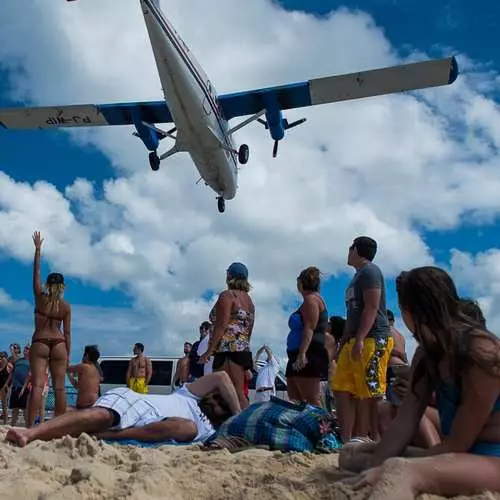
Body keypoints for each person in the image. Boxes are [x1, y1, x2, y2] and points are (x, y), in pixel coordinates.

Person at [339, 266, 500, 499]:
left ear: (410, 311)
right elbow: (406, 418)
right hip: (458, 452)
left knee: (401, 470)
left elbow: (458, 444)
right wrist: (376, 462)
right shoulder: (427, 353)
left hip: (491, 456)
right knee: (352, 456)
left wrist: (389, 465)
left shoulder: (480, 353)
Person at [6, 372, 241, 448]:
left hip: (145, 429)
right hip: (134, 403)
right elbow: (221, 376)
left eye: (222, 406)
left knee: (187, 427)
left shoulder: (212, 429)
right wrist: (239, 414)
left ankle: (106, 435)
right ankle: (30, 433)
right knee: (101, 416)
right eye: (219, 399)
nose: (218, 403)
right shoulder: (189, 395)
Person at [332, 236, 392, 443]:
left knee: (369, 391)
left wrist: (360, 338)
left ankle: (372, 438)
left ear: (356, 250)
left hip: (373, 337)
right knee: (342, 388)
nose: (348, 252)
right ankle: (347, 439)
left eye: (350, 248)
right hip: (354, 339)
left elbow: (372, 307)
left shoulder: (370, 271)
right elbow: (352, 314)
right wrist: (344, 343)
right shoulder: (357, 277)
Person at [200, 262, 255, 410]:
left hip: (227, 349)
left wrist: (209, 351)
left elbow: (221, 325)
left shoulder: (227, 295)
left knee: (227, 392)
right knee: (236, 392)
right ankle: (240, 426)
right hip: (242, 348)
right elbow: (249, 329)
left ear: (230, 275)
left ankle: (243, 428)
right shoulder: (249, 301)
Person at [30, 231, 71, 426]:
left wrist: (38, 250)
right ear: (63, 287)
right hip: (60, 342)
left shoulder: (40, 298)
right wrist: (68, 352)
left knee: (38, 386)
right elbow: (68, 332)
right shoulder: (66, 307)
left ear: (48, 284)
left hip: (41, 341)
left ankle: (30, 427)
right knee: (60, 388)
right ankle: (59, 427)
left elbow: (36, 273)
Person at [286, 266, 329, 407]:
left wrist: (302, 353)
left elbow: (310, 328)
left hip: (309, 352)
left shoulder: (312, 300)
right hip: (296, 352)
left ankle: (323, 427)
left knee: (311, 397)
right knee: (295, 396)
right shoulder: (308, 301)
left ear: (301, 283)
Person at [67, 345, 102, 409]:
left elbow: (67, 369)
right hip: (95, 403)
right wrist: (70, 375)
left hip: (84, 404)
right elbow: (77, 385)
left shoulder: (84, 367)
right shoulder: (96, 371)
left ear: (87, 356)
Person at [385, 309, 408, 406]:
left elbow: (385, 349)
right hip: (403, 367)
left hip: (393, 369)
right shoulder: (400, 335)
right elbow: (403, 352)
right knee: (403, 401)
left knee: (394, 404)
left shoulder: (386, 331)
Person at [9, 345, 31, 427]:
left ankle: (28, 428)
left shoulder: (32, 362)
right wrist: (8, 385)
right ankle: (12, 426)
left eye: (28, 348)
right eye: (25, 348)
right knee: (15, 409)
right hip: (15, 387)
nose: (26, 349)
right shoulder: (18, 360)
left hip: (25, 388)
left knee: (25, 409)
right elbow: (12, 373)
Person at [0, 351, 11, 425]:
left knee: (4, 406)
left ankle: (5, 423)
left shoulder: (9, 365)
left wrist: (7, 385)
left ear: (6, 358)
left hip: (5, 388)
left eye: (2, 357)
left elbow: (12, 375)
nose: (0, 358)